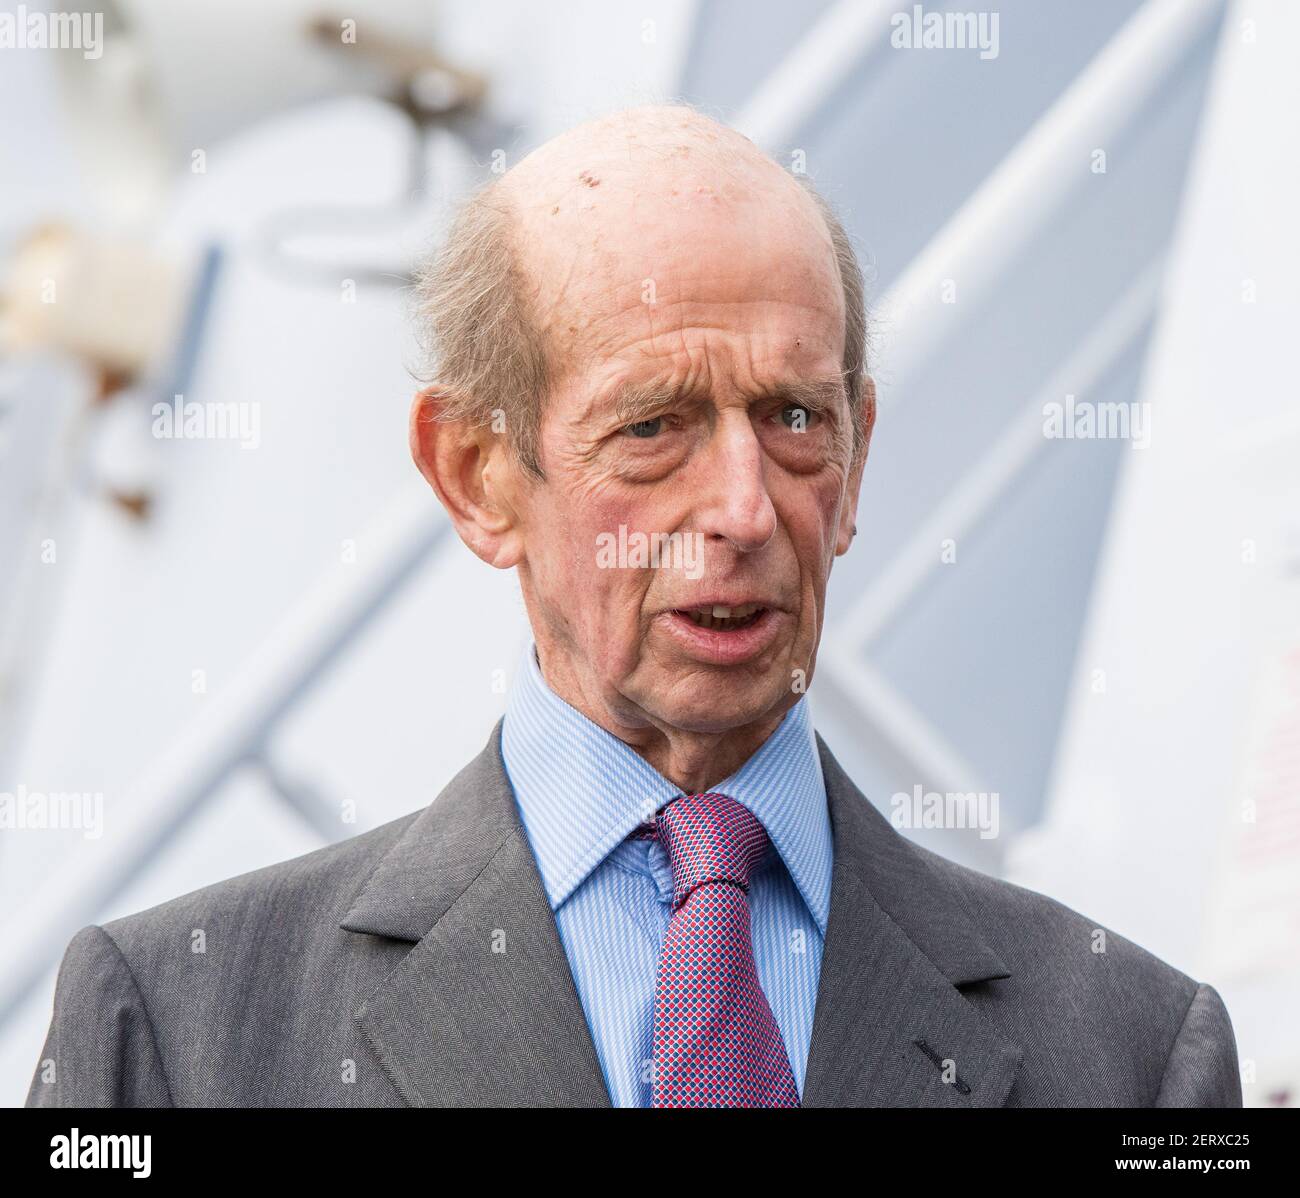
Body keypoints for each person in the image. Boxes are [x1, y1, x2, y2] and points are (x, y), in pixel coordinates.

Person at [28, 105, 1240, 1108]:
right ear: (476, 473)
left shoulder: (1134, 1053)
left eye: (795, 419)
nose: (744, 509)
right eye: (652, 426)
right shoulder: (173, 1035)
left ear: (860, 456)